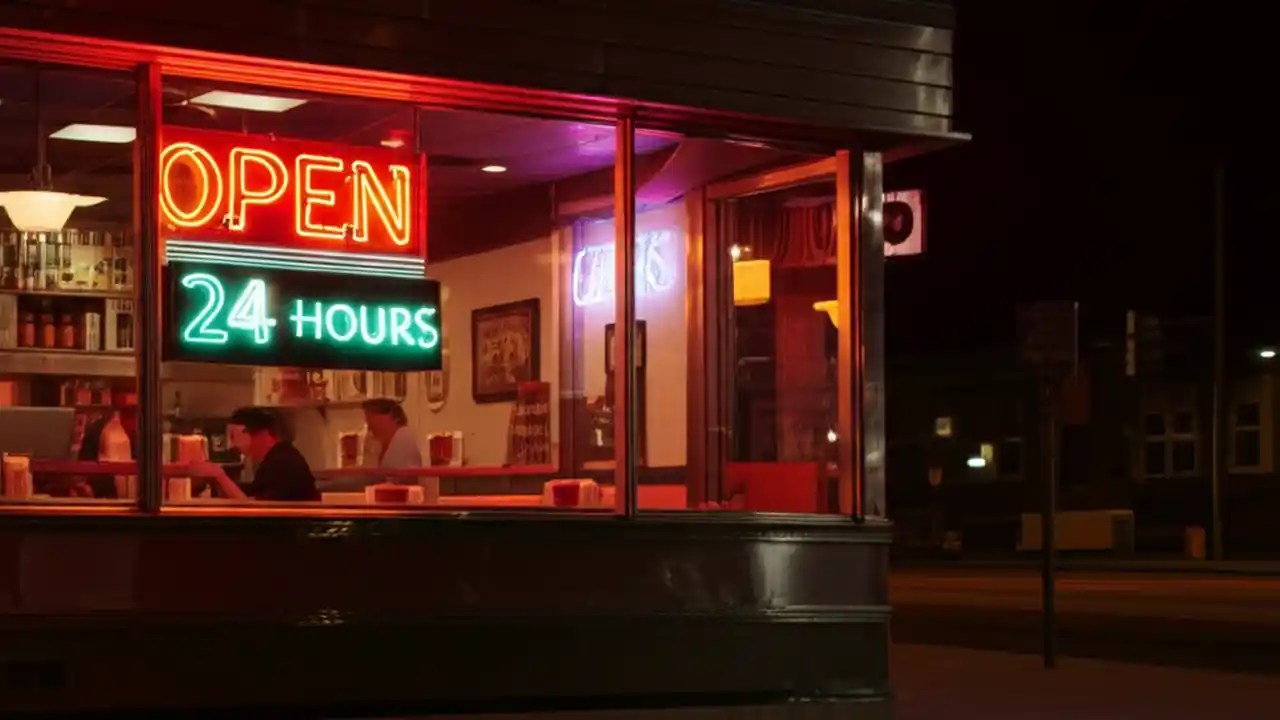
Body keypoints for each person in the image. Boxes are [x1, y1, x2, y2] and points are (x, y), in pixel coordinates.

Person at [193, 407, 318, 501]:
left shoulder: (283, 462)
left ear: (259, 433)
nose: (232, 445)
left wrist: (218, 475)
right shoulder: (277, 457)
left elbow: (256, 509)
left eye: (233, 436)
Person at [362, 398, 422, 478]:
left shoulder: (403, 439)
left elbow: (399, 479)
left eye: (372, 417)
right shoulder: (377, 442)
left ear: (389, 416)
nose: (369, 425)